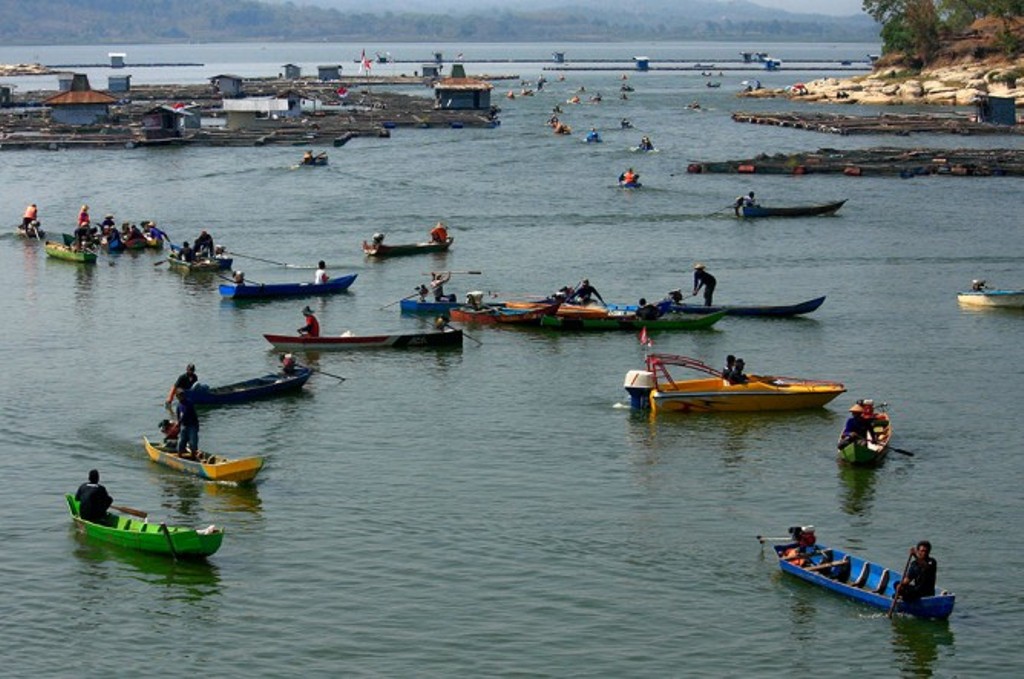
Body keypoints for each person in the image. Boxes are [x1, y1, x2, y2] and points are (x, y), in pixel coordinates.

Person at [175, 388, 200, 456]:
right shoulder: (179, 405)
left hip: (192, 426)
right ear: (177, 396)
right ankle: (179, 456)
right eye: (180, 395)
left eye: (182, 395)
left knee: (193, 442)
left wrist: (178, 422)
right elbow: (178, 415)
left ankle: (193, 456)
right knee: (181, 442)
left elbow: (186, 415)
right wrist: (178, 423)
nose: (181, 396)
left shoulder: (189, 403)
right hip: (184, 426)